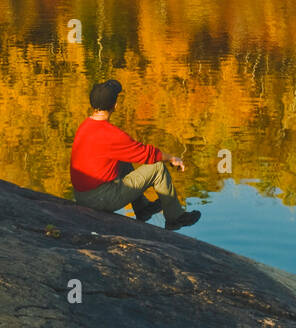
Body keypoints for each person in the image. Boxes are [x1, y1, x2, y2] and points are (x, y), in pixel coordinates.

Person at [70, 79, 201, 230]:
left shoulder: (85, 126)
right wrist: (172, 158)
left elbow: (133, 153)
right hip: (98, 200)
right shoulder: (111, 134)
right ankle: (175, 217)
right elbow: (146, 154)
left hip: (82, 195)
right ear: (115, 106)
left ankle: (142, 208)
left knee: (122, 161)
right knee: (157, 168)